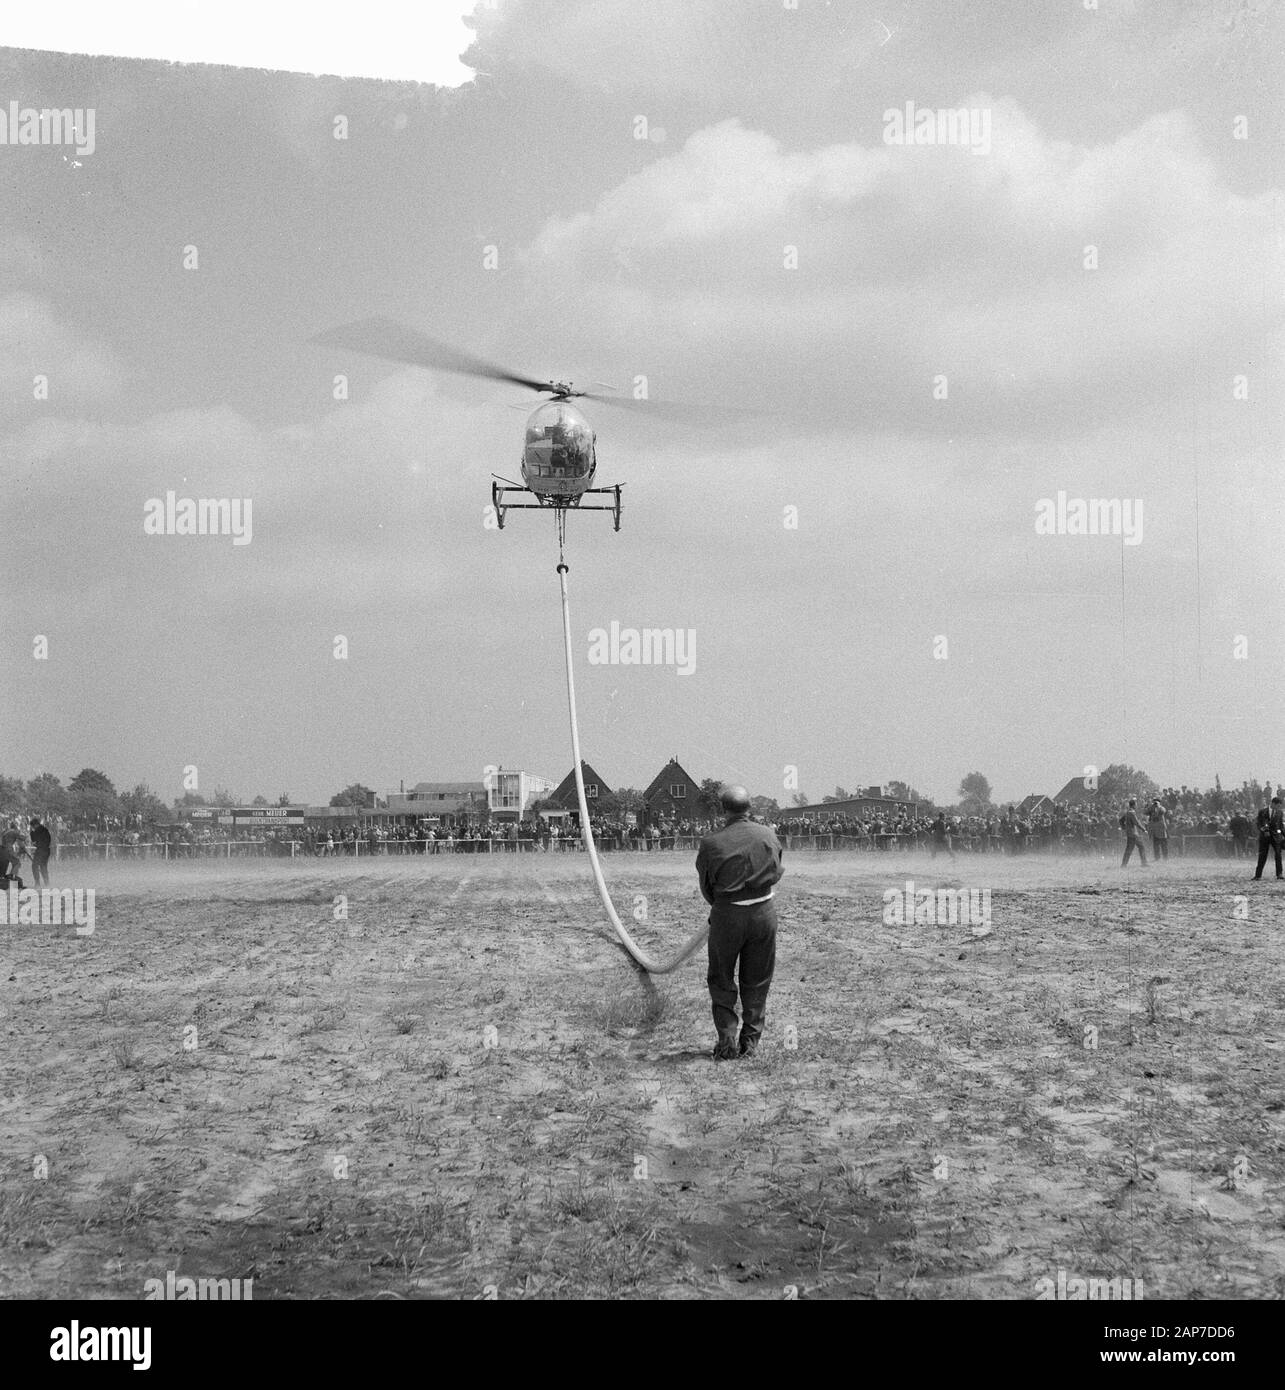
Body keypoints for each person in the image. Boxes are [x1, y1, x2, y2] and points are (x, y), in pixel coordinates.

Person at [695, 785, 784, 1061]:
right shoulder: (768, 835)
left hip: (727, 916)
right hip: (763, 914)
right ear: (750, 808)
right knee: (757, 980)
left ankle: (726, 1040)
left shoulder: (711, 843)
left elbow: (706, 885)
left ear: (724, 810)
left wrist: (724, 906)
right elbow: (777, 871)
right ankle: (750, 1044)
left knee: (722, 979)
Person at [1252, 798, 1284, 881]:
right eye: (1278, 806)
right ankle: (1258, 875)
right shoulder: (1262, 811)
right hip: (1264, 836)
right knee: (1262, 855)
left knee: (1278, 855)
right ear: (1273, 803)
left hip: (1276, 836)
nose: (1278, 808)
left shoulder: (1280, 813)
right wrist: (1262, 829)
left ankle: (1279, 874)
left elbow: (1281, 826)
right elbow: (1258, 823)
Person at [1120, 799, 1148, 867]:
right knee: (1141, 847)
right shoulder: (1132, 812)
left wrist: (1124, 828)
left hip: (1130, 833)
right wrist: (1144, 830)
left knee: (1129, 849)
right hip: (1134, 834)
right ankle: (1144, 863)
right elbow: (1137, 823)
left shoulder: (1127, 812)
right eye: (1136, 804)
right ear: (1134, 805)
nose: (1137, 805)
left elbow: (1120, 820)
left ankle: (1124, 864)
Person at [28, 816, 52, 888]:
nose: (33, 828)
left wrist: (31, 832)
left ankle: (37, 883)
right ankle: (47, 883)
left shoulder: (37, 830)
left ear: (35, 825)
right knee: (43, 867)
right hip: (46, 850)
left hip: (41, 850)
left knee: (34, 866)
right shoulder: (45, 830)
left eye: (32, 826)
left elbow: (34, 840)